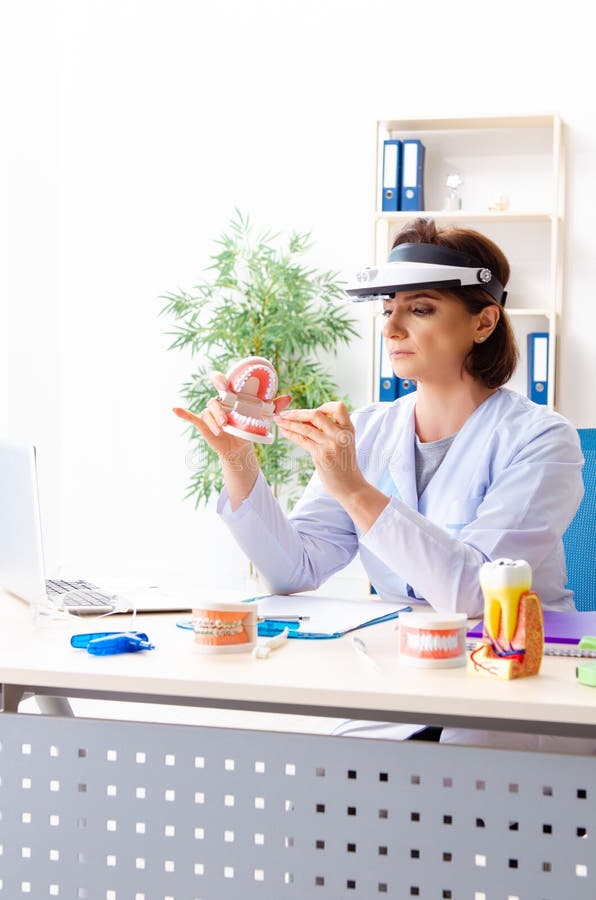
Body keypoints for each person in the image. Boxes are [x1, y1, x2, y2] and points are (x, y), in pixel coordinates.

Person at [175, 217, 587, 750]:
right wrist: (238, 460)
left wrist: (354, 488)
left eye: (420, 309)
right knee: (336, 790)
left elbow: (472, 596)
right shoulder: (369, 430)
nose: (391, 328)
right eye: (388, 309)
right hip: (402, 675)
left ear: (483, 322)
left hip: (514, 690)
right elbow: (292, 570)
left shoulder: (542, 439)